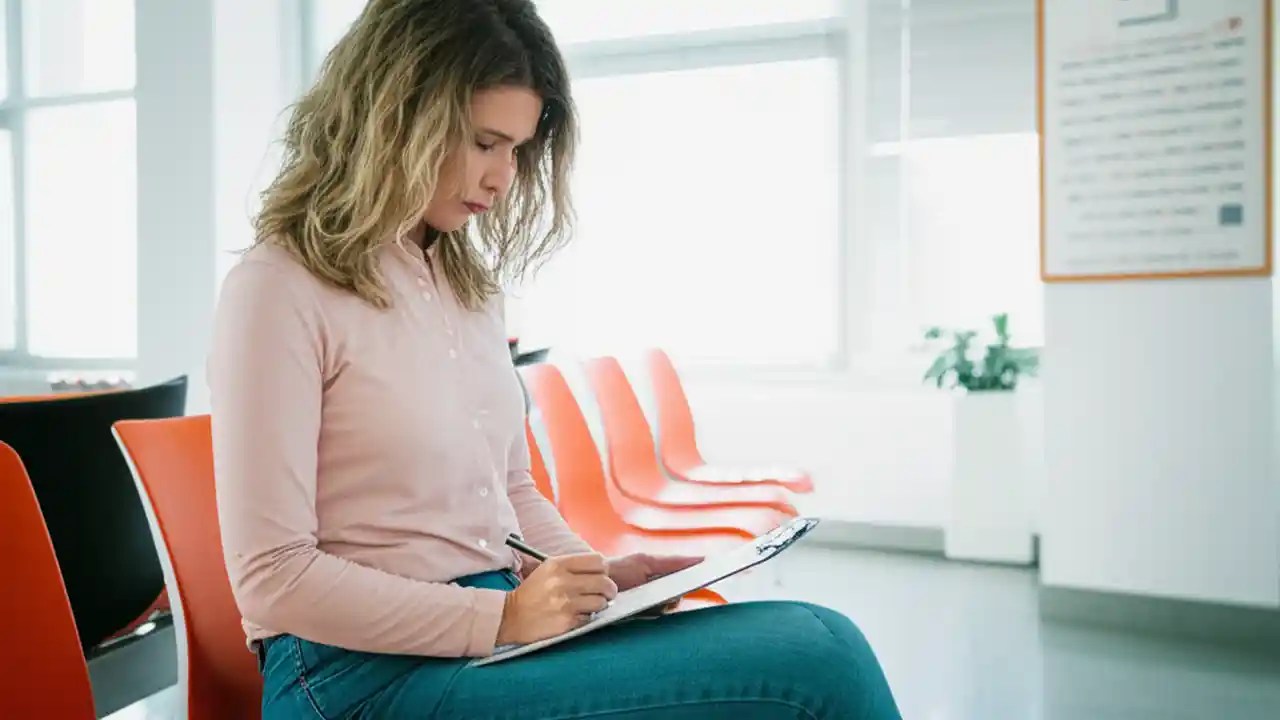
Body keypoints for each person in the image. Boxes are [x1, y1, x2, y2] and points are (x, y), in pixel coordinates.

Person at [208, 0, 901, 717]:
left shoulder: (464, 286)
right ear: (397, 117)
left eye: (518, 150)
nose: (504, 177)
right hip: (355, 675)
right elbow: (272, 576)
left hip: (489, 632)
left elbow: (512, 493)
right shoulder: (279, 288)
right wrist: (501, 621)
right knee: (814, 659)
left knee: (816, 637)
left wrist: (596, 582)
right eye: (484, 143)